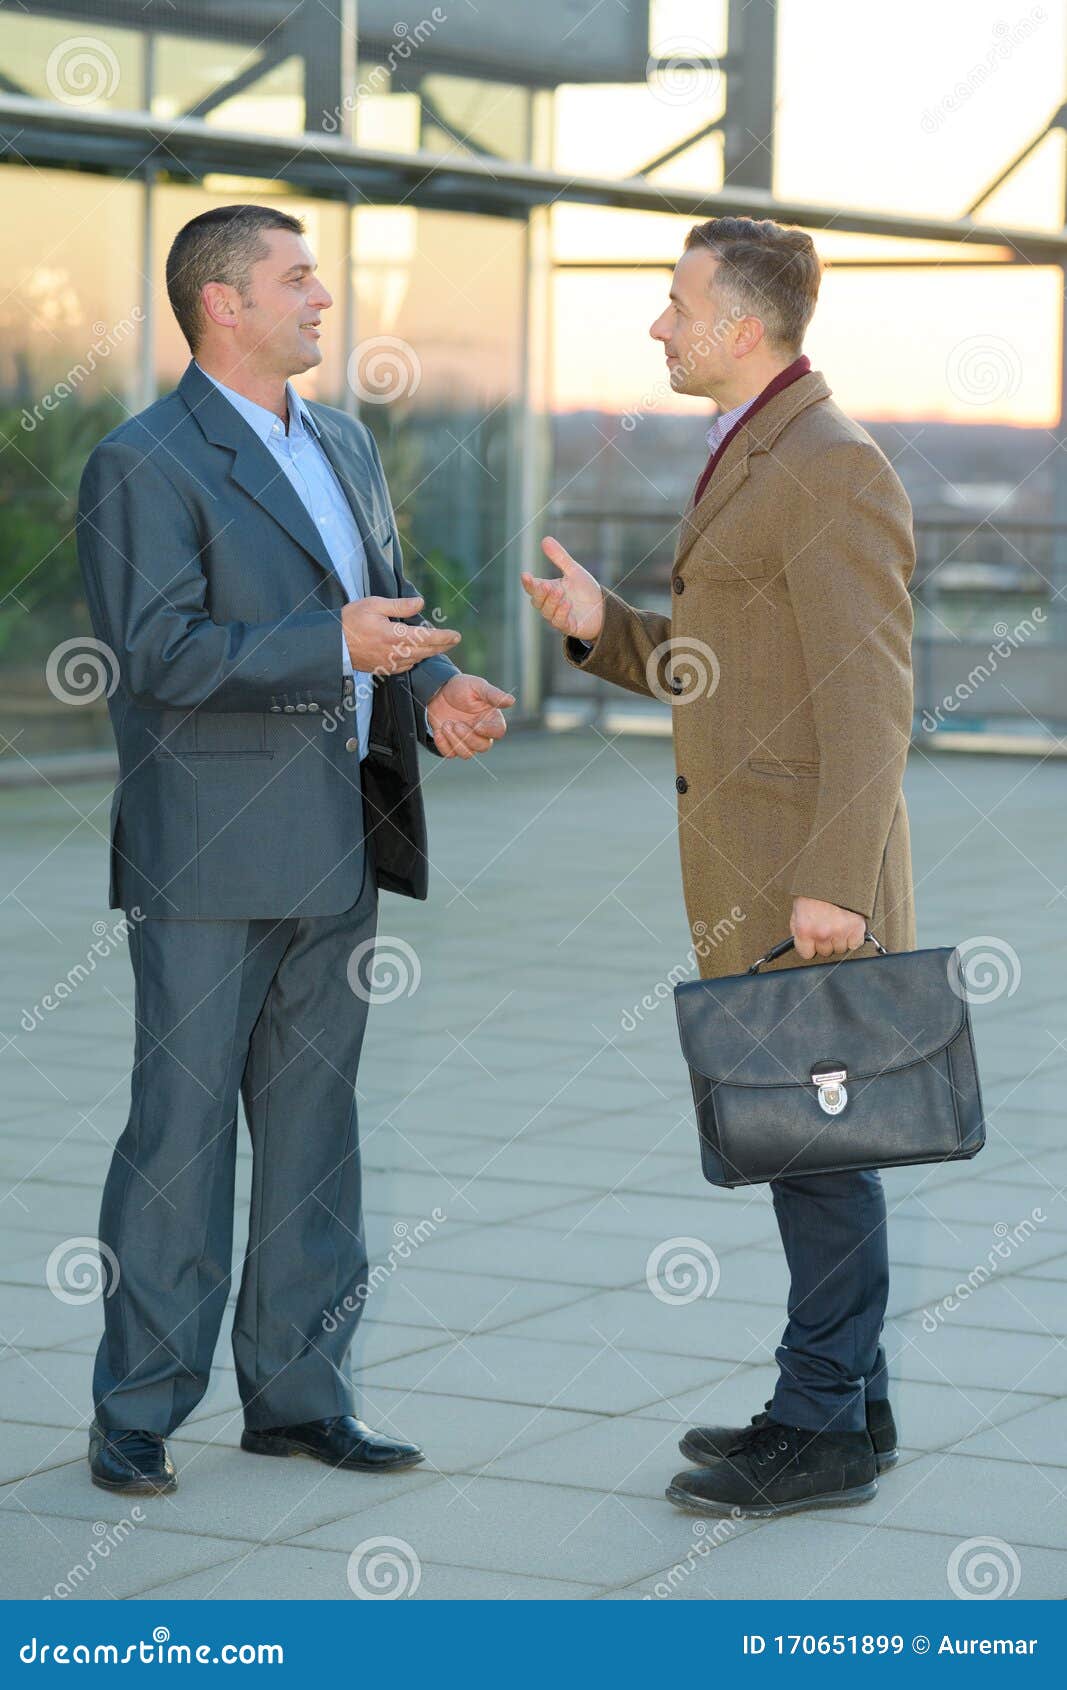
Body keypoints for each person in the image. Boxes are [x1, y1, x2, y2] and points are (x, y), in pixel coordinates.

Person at [76, 203, 513, 1495]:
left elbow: (380, 611)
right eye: (297, 278)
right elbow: (156, 653)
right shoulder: (142, 460)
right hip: (207, 857)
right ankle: (137, 1409)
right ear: (223, 303)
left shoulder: (344, 441)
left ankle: (300, 1398)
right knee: (181, 1135)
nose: (323, 298)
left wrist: (432, 684)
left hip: (342, 842)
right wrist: (335, 644)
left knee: (317, 1134)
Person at [521, 215, 915, 1519]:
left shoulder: (830, 465)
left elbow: (872, 699)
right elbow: (733, 669)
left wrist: (837, 883)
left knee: (818, 1157)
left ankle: (817, 1426)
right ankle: (851, 1409)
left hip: (805, 882)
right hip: (765, 872)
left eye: (678, 303)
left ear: (742, 324)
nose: (659, 323)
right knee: (812, 1145)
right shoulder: (760, 448)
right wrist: (607, 629)